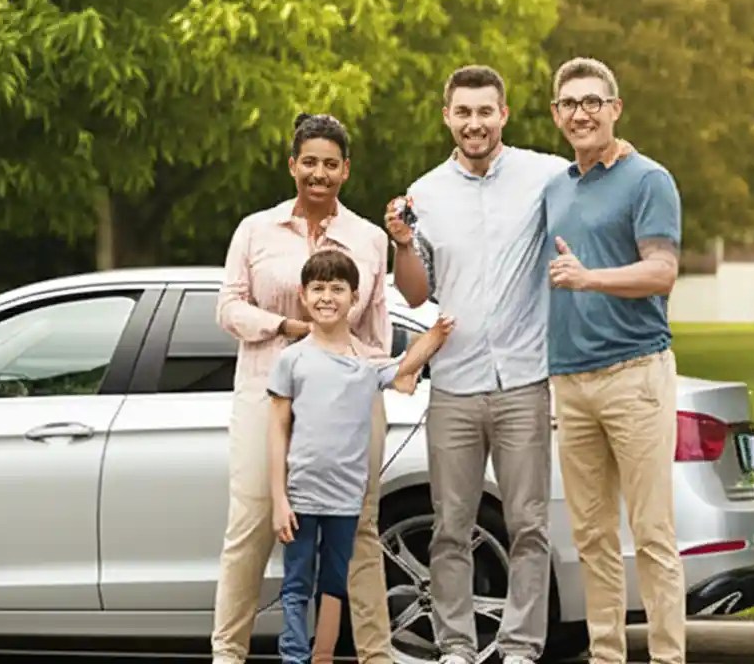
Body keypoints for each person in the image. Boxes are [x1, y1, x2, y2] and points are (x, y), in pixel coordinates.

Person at [385, 64, 569, 664]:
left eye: (485, 111)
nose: (474, 123)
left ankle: (519, 648)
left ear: (504, 115)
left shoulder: (545, 174)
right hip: (456, 386)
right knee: (450, 529)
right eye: (463, 112)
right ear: (447, 116)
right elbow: (415, 295)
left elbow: (593, 185)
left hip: (523, 382)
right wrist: (403, 244)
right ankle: (457, 648)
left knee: (528, 526)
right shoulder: (425, 193)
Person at [213, 113, 395, 664]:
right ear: (293, 165)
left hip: (347, 406)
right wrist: (288, 327)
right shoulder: (256, 230)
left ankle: (375, 655)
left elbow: (376, 333)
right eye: (309, 162)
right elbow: (227, 307)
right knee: (251, 524)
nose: (319, 173)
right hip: (267, 394)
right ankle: (228, 654)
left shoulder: (368, 239)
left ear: (346, 170)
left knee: (359, 528)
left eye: (330, 164)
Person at [542, 56, 684, 664]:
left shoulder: (649, 179)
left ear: (615, 108)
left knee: (652, 534)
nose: (581, 113)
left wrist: (589, 278)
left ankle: (667, 657)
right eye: (570, 103)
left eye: (593, 101)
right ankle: (606, 656)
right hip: (570, 383)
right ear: (556, 115)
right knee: (592, 538)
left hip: (635, 375)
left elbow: (663, 272)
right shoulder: (555, 186)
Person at [267, 248, 455, 664]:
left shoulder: (366, 366)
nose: (327, 297)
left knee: (334, 586)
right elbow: (277, 430)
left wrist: (440, 331)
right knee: (297, 584)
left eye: (337, 289)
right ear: (303, 295)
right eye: (318, 288)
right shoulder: (291, 360)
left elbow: (407, 364)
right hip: (300, 498)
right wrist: (279, 500)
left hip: (348, 501)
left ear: (354, 298)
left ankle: (323, 656)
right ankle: (294, 658)